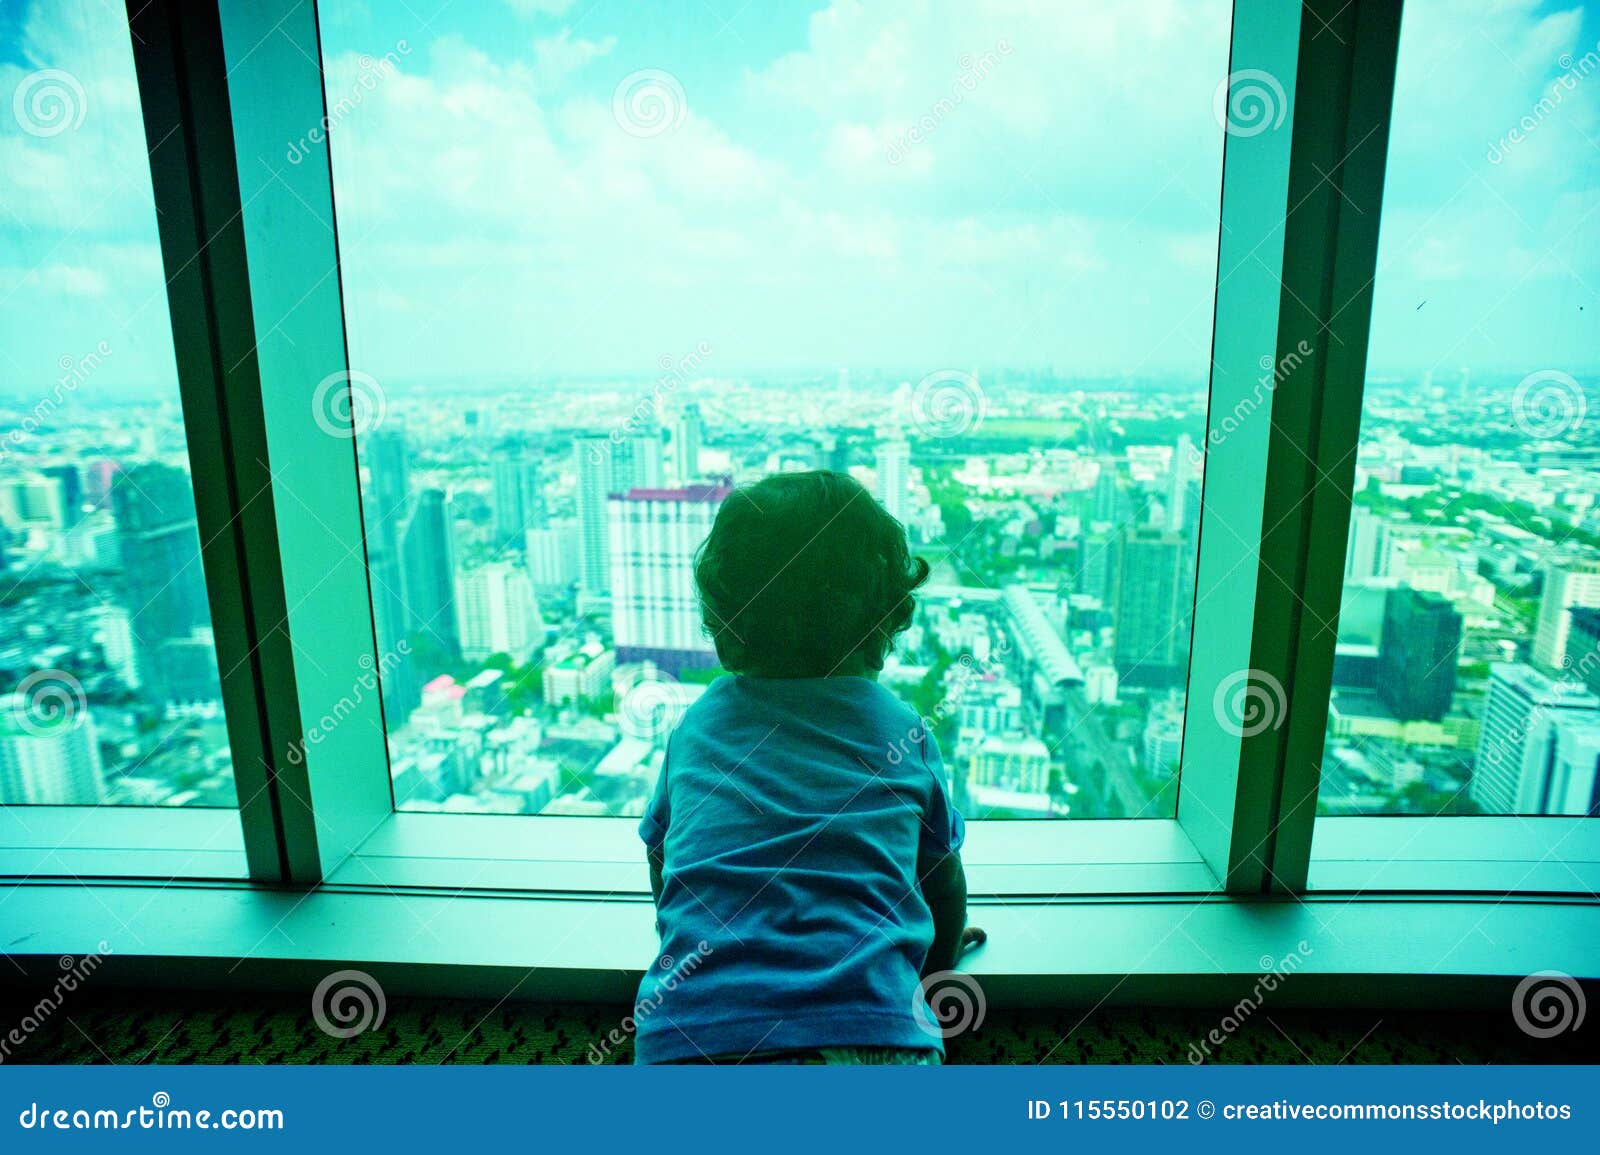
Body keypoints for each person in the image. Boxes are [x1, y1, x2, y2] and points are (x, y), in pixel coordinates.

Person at [633, 469, 983, 1065]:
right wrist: (938, 965)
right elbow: (941, 880)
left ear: (725, 625)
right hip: (871, 1033)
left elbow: (664, 859)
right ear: (886, 621)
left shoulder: (697, 728)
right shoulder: (902, 729)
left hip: (692, 1034)